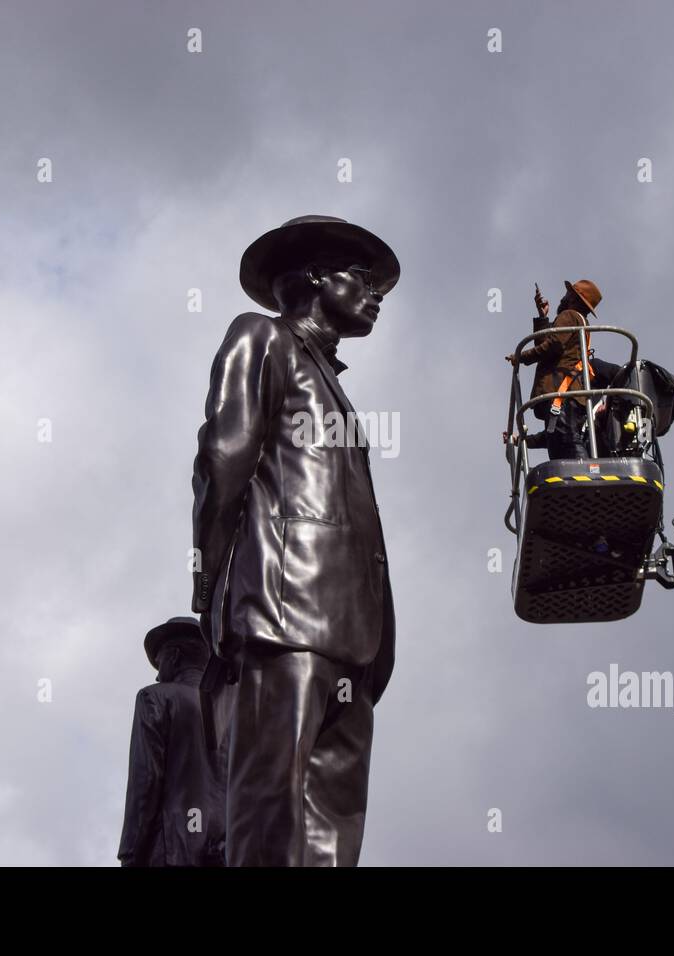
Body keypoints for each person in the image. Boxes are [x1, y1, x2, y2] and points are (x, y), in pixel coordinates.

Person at [191, 214, 399, 866]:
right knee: (271, 805)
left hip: (352, 635)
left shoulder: (333, 385)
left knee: (333, 829)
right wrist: (210, 585)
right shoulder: (262, 338)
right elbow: (224, 460)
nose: (376, 293)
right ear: (313, 273)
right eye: (362, 278)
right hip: (283, 610)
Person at [117, 616, 228, 867]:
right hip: (230, 853)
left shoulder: (155, 698)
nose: (157, 676)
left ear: (175, 657)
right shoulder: (237, 713)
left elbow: (145, 780)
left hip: (171, 851)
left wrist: (130, 855)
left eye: (160, 663)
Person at [506, 279, 623, 458]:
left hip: (560, 392)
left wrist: (521, 357)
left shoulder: (569, 315)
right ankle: (584, 476)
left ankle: (584, 476)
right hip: (568, 396)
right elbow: (549, 344)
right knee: (560, 439)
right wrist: (543, 317)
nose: (563, 297)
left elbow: (553, 346)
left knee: (566, 442)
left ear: (574, 299)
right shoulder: (580, 321)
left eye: (568, 294)